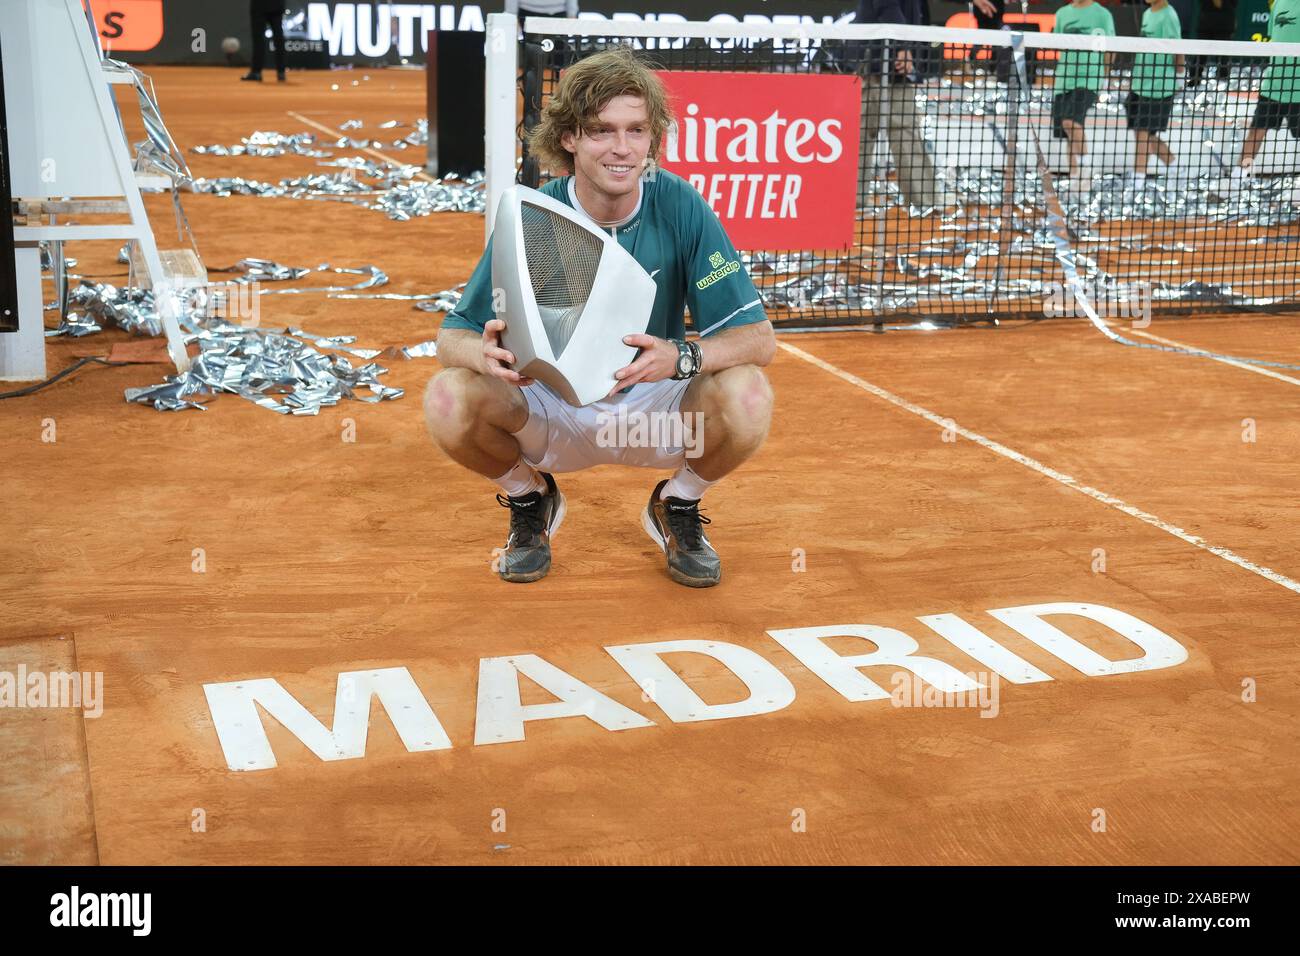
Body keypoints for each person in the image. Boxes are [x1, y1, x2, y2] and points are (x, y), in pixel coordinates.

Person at [424, 47, 775, 588]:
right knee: (449, 397)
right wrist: (484, 354)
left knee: (749, 395)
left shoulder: (679, 204)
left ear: (653, 137)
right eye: (601, 131)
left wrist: (682, 356)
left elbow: (758, 340)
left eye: (636, 131)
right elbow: (452, 338)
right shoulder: (536, 216)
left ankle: (678, 504)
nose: (622, 148)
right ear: (569, 138)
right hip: (552, 407)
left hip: (654, 406)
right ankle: (530, 499)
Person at [854, 0, 952, 210]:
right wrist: (902, 47)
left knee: (897, 133)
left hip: (892, 63)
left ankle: (924, 201)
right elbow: (886, 6)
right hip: (880, 61)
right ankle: (849, 199)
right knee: (863, 136)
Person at [1050, 0, 1116, 193]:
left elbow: (1109, 48)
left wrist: (1105, 76)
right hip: (1064, 80)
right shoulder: (1062, 13)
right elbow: (1058, 44)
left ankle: (1086, 170)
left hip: (1089, 79)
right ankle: (1075, 181)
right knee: (1069, 133)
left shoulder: (1102, 14)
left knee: (1071, 123)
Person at [1235, 0, 1300, 178]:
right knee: (1256, 132)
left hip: (1299, 88)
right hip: (1273, 86)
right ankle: (1236, 181)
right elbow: (1275, 40)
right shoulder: (1278, 3)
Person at [1126, 0, 1183, 187]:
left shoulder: (1169, 16)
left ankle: (1137, 183)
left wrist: (1181, 77)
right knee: (1144, 135)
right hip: (1139, 84)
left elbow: (1178, 50)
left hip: (1159, 87)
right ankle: (1175, 167)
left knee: (1143, 133)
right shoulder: (1147, 13)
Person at [241, 0, 286, 83]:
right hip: (276, 5)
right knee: (278, 38)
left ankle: (256, 72)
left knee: (258, 39)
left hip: (260, 5)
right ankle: (281, 72)